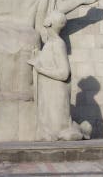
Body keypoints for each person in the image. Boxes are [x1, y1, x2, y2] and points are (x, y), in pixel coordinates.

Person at [29, 9, 94, 141]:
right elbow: (50, 62)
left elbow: (64, 73)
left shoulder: (58, 44)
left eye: (47, 18)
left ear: (49, 23)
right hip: (48, 93)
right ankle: (78, 129)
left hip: (56, 94)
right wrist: (39, 57)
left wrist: (40, 69)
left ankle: (82, 130)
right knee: (47, 134)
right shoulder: (49, 44)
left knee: (62, 132)